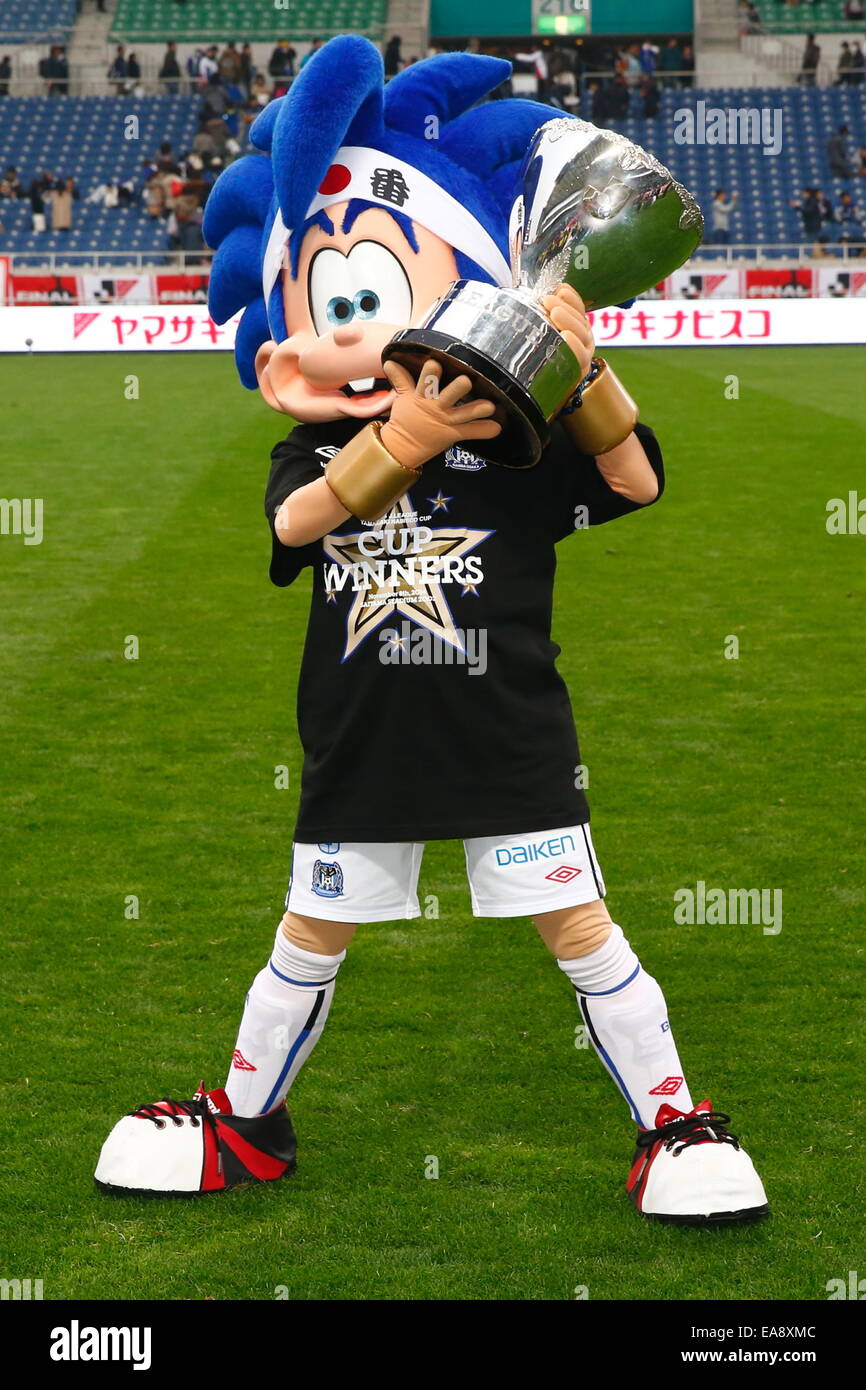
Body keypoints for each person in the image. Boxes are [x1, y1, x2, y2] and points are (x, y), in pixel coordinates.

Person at [96, 36, 769, 1229]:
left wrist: (583, 369)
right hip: (365, 736)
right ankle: (249, 1123)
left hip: (504, 724)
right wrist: (397, 441)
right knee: (309, 932)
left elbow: (632, 480)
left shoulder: (514, 449)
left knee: (578, 923)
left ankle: (671, 1117)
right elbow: (299, 524)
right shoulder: (314, 451)